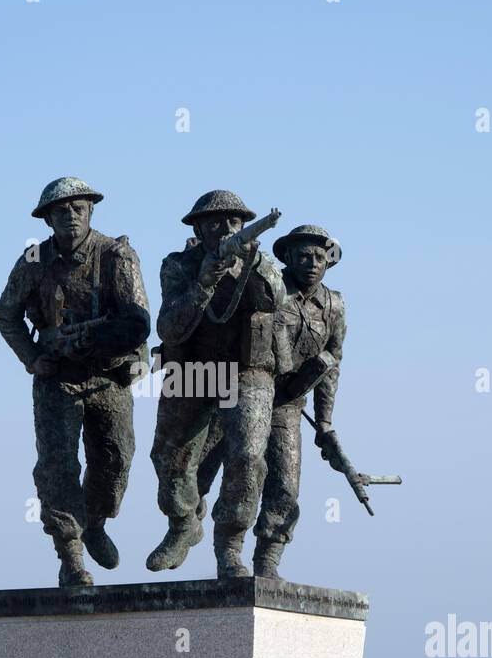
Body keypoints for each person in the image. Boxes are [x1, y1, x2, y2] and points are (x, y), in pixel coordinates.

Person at [0, 176, 150, 586]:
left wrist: (134, 360)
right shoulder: (32, 261)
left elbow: (138, 320)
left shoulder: (117, 255)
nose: (70, 216)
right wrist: (31, 358)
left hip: (107, 376)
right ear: (47, 219)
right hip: (57, 379)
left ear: (91, 210)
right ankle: (71, 554)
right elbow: (5, 314)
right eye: (60, 211)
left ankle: (95, 522)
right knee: (57, 467)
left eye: (78, 208)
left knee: (116, 457)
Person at [146, 190, 290, 579]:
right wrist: (203, 285)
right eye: (214, 223)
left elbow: (276, 299)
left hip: (247, 372)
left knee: (247, 457)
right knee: (168, 455)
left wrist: (253, 262)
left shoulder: (262, 262)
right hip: (192, 368)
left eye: (234, 222)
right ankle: (183, 523)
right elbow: (167, 327)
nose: (226, 229)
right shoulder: (177, 266)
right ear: (198, 228)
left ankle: (229, 545)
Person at [195, 223, 345, 579]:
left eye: (320, 257)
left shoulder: (334, 306)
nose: (312, 263)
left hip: (287, 406)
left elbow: (333, 363)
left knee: (285, 486)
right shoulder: (268, 288)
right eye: (304, 256)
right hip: (243, 391)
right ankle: (228, 550)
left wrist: (324, 422)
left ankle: (268, 562)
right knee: (229, 472)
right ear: (289, 258)